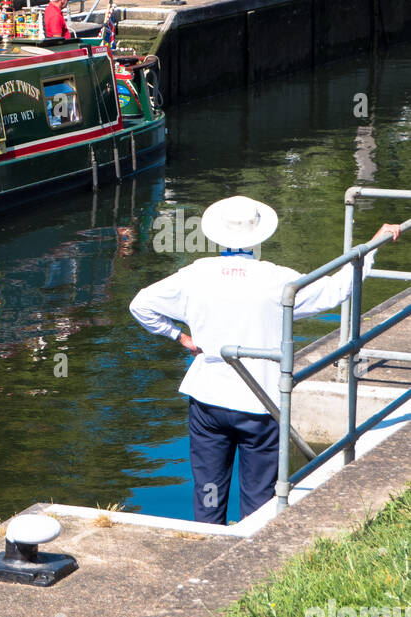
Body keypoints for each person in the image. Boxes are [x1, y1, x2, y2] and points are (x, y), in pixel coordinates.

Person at [129, 194, 400, 525]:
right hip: (260, 401)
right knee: (259, 496)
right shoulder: (277, 279)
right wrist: (371, 246)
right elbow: (336, 290)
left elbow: (141, 305)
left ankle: (206, 535)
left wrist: (179, 336)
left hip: (208, 399)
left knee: (208, 489)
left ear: (218, 236)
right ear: (259, 236)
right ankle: (250, 544)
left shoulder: (194, 275)